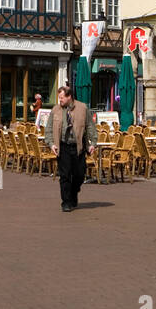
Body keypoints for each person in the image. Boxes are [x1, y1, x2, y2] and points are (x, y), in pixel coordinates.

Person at [48, 85, 96, 213]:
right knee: (65, 175)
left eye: (62, 98)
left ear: (69, 97)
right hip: (62, 146)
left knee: (79, 174)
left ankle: (74, 192)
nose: (60, 100)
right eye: (59, 98)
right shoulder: (55, 110)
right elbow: (48, 130)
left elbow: (90, 127)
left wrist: (92, 143)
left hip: (78, 147)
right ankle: (66, 202)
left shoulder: (83, 108)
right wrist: (51, 144)